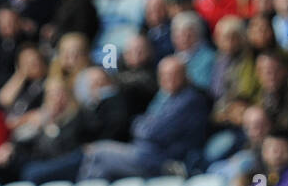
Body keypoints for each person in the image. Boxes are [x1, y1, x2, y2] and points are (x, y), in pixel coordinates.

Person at [78, 56, 208, 179]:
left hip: (167, 161)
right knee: (100, 168)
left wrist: (145, 125)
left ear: (185, 75)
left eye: (174, 74)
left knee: (97, 153)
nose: (169, 79)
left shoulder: (189, 100)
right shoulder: (165, 97)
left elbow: (152, 132)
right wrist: (145, 125)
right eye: (164, 75)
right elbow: (139, 123)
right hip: (147, 154)